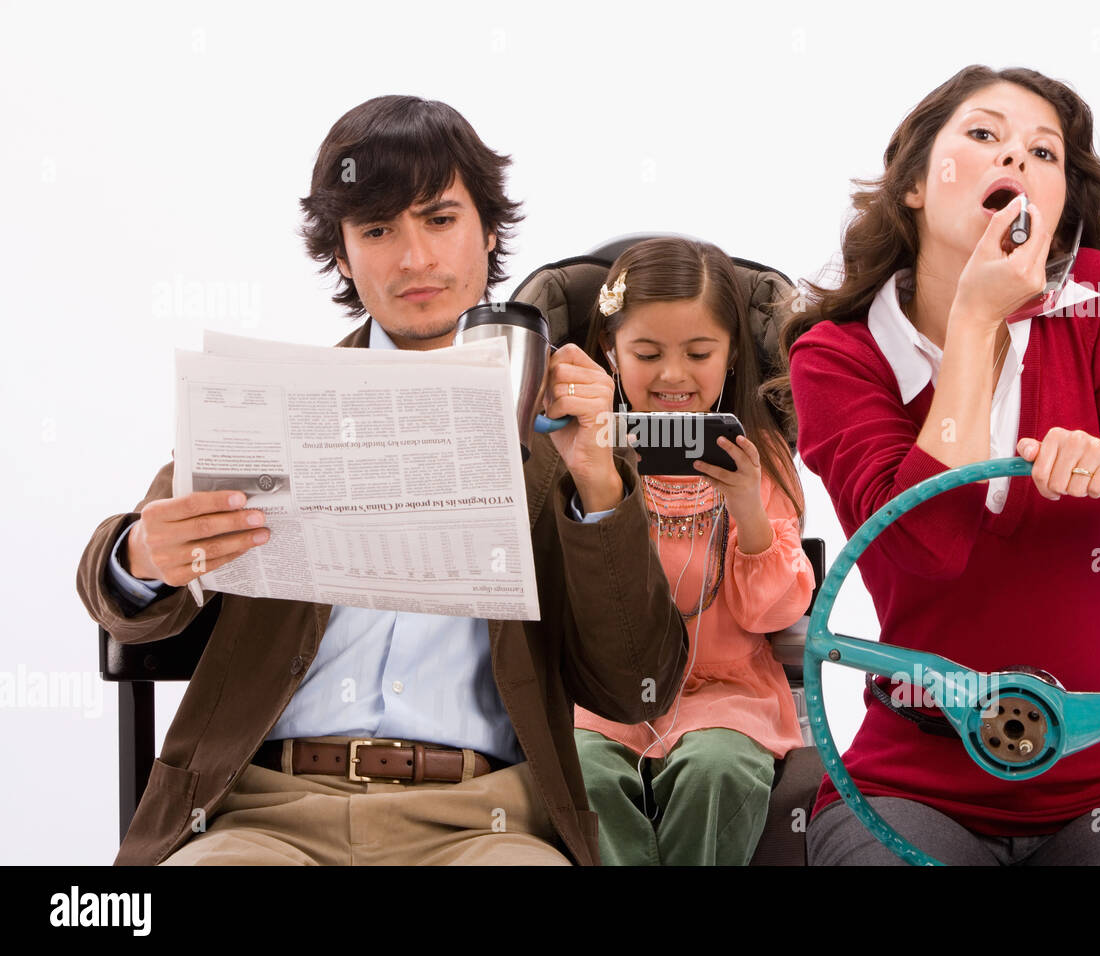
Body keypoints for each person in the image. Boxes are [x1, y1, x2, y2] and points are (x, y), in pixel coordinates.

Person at [76, 95, 688, 866]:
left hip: (485, 821)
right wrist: (140, 558)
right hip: (259, 813)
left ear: (489, 231)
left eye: (439, 220)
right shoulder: (277, 400)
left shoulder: (565, 439)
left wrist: (597, 480)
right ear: (341, 252)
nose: (415, 259)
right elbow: (121, 596)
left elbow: (639, 686)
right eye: (376, 231)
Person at [776, 66, 1100, 865]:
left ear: (1060, 212)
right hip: (908, 787)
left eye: (1044, 153)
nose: (1015, 159)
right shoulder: (836, 356)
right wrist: (977, 319)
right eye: (984, 136)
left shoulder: (1098, 298)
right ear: (914, 182)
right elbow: (924, 548)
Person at [572, 238, 815, 865]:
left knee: (717, 769)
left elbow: (771, 616)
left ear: (732, 354)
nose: (673, 375)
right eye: (646, 354)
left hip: (727, 693)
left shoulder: (757, 459)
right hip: (605, 699)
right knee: (584, 773)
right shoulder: (585, 455)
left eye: (699, 353)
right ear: (610, 352)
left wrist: (749, 510)